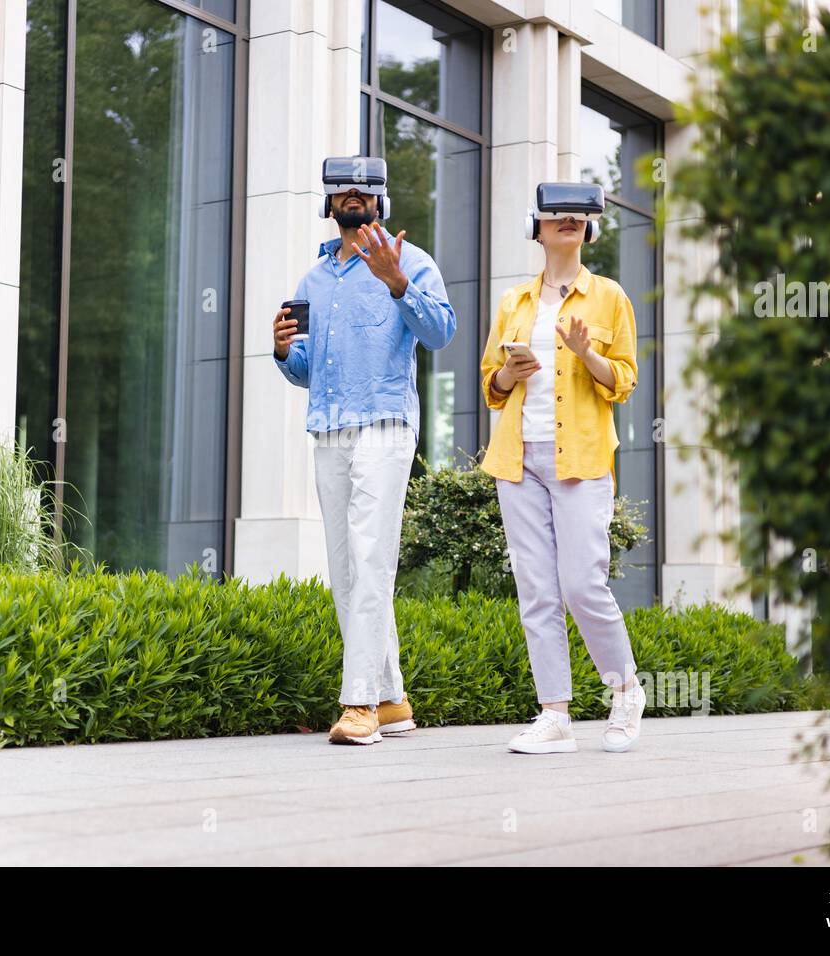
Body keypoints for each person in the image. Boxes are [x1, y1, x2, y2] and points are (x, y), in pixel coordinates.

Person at [273, 156, 456, 745]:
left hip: (384, 427)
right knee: (346, 572)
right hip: (328, 430)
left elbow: (441, 334)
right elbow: (306, 371)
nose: (353, 196)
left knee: (373, 558)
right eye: (342, 189)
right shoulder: (313, 280)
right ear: (330, 202)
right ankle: (392, 696)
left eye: (364, 188)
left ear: (380, 199)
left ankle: (359, 707)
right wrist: (282, 353)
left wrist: (398, 285)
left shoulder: (413, 262)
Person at [479, 182, 647, 754]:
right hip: (518, 460)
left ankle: (625, 691)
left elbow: (622, 381)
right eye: (557, 218)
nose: (568, 223)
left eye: (578, 218)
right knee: (537, 592)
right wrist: (511, 372)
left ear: (589, 229)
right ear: (538, 228)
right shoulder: (513, 304)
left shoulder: (608, 297)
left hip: (580, 459)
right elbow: (490, 387)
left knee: (581, 584)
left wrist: (585, 355)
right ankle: (554, 714)